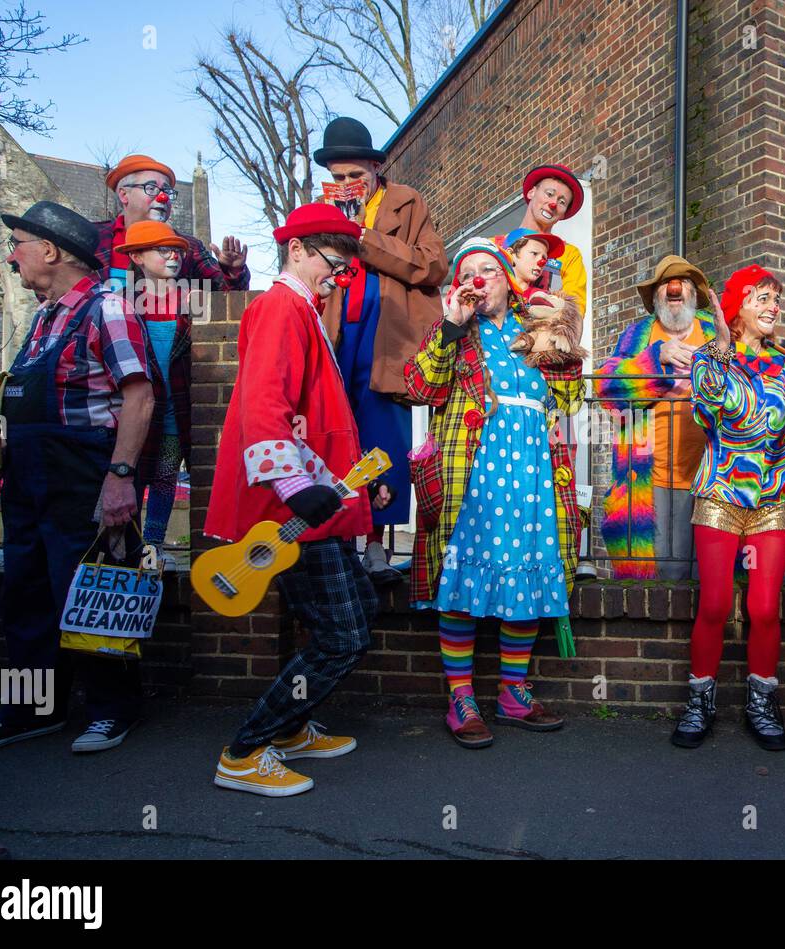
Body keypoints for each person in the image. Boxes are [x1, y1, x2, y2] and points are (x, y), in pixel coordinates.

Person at [0, 202, 155, 756]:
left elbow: (139, 396)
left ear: (51, 250)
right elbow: (10, 393)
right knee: (27, 594)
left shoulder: (107, 309)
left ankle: (115, 709)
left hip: (83, 474)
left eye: (18, 243)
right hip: (28, 478)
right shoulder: (42, 319)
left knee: (90, 592)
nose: (10, 256)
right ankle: (31, 711)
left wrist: (119, 477)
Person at [207, 204, 390, 798]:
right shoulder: (282, 306)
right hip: (297, 512)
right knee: (343, 635)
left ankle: (288, 731)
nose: (339, 279)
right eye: (334, 265)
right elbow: (265, 402)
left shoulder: (304, 312)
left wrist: (354, 484)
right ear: (297, 250)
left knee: (355, 614)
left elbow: (319, 420)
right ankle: (245, 750)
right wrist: (292, 487)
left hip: (318, 506)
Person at [403, 238, 584, 749]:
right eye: (468, 271)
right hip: (476, 472)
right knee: (461, 582)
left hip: (532, 473)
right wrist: (451, 326)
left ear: (508, 278)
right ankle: (461, 697)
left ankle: (512, 695)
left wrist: (561, 337)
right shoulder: (459, 332)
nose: (477, 278)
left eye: (488, 269)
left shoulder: (534, 329)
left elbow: (569, 400)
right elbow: (420, 387)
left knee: (525, 577)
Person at [671, 264, 785, 751]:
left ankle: (761, 702)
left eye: (775, 298)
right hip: (719, 493)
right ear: (736, 308)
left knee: (763, 608)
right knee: (715, 605)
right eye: (760, 297)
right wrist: (717, 346)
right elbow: (707, 410)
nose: (772, 306)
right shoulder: (709, 358)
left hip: (772, 496)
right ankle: (700, 702)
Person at [314, 117, 448, 575]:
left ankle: (376, 542)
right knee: (334, 432)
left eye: (355, 174)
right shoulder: (322, 210)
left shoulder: (406, 201)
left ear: (376, 166)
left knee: (382, 437)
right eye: (338, 178)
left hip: (387, 335)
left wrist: (364, 238)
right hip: (336, 332)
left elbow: (433, 265)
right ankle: (335, 538)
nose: (348, 184)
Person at [595, 255, 716, 579]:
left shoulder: (714, 334)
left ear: (694, 295)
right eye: (666, 283)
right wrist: (654, 360)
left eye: (683, 283)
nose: (674, 288)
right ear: (656, 296)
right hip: (651, 478)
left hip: (711, 479)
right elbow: (607, 389)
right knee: (657, 580)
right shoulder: (638, 336)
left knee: (705, 580)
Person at [114, 220, 191, 571]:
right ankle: (125, 548)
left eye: (175, 249)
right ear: (137, 256)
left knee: (165, 479)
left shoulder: (193, 298)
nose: (173, 255)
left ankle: (154, 545)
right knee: (135, 477)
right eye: (163, 249)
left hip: (177, 411)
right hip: (138, 411)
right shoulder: (123, 301)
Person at [94, 153, 250, 293]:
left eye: (167, 191)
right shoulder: (93, 239)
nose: (163, 198)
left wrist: (232, 270)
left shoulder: (189, 247)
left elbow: (227, 296)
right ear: (123, 195)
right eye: (151, 188)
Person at [505, 164, 588, 316]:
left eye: (562, 202)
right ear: (531, 192)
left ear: (563, 214)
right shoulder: (496, 245)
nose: (553, 204)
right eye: (549, 194)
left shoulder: (569, 255)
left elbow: (574, 312)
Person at [497, 228, 565, 294]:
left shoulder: (540, 298)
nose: (542, 262)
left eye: (544, 258)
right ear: (510, 253)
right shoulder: (490, 290)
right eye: (534, 253)